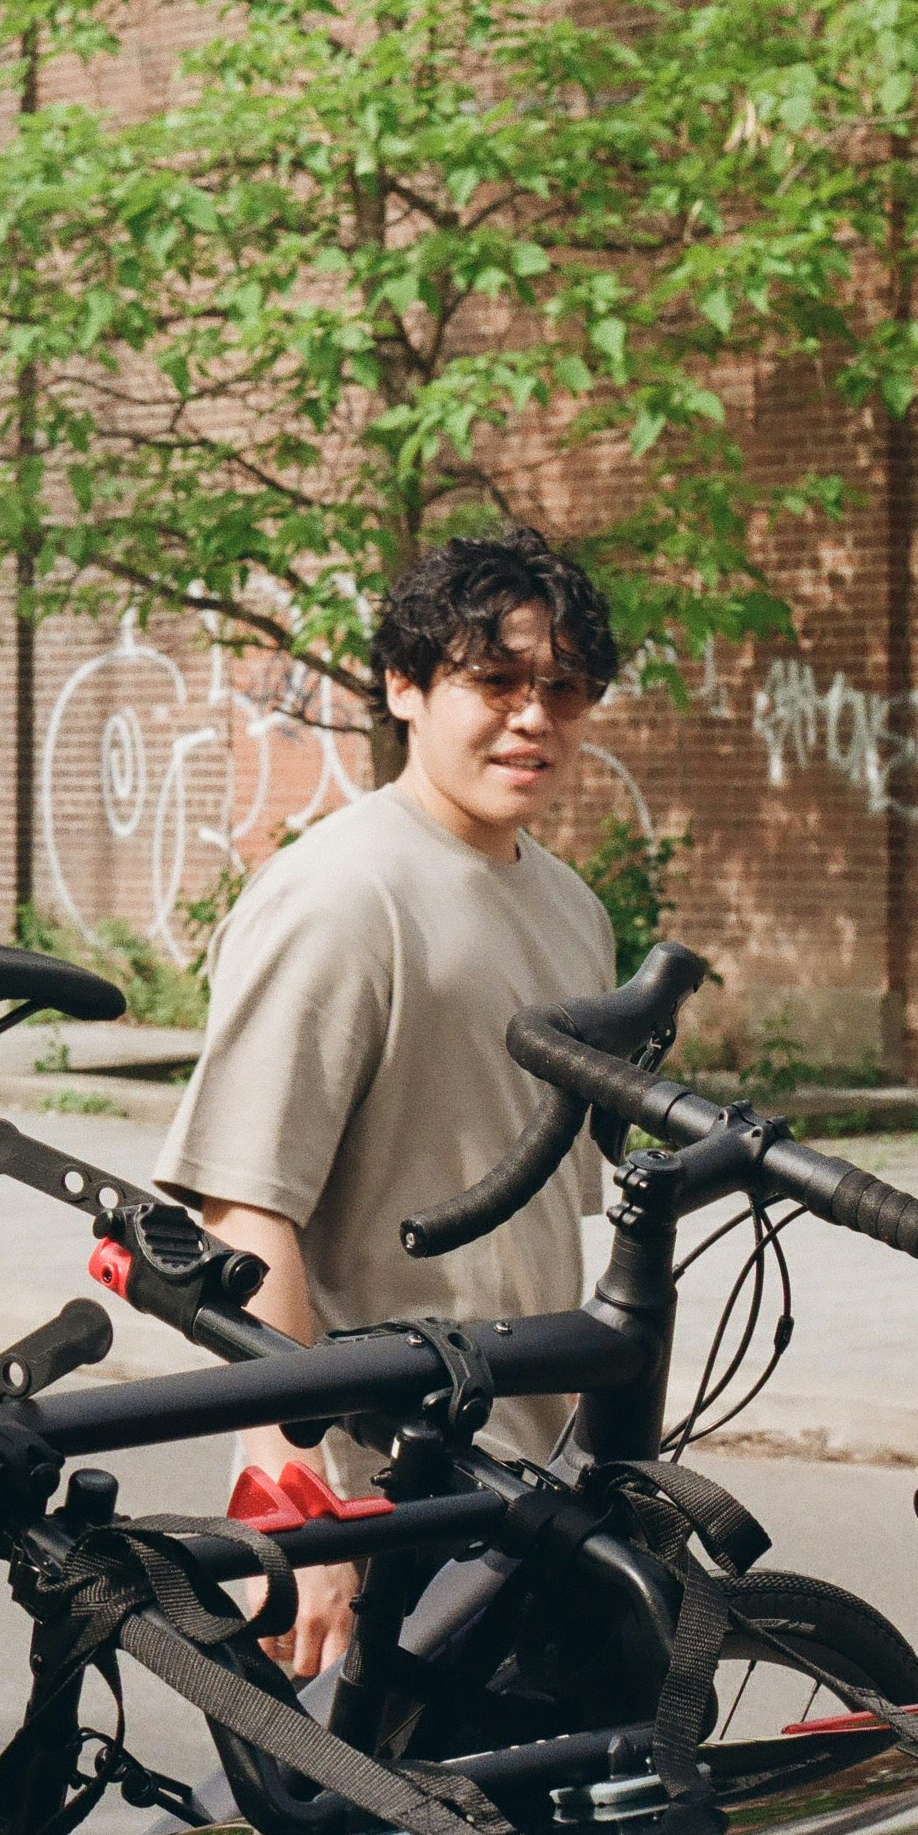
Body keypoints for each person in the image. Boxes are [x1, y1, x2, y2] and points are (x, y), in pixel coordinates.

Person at [152, 525, 620, 1679]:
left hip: (534, 1475)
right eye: (496, 680)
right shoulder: (341, 893)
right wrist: (292, 1482)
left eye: (563, 688)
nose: (533, 716)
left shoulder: (573, 908)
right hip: (380, 1486)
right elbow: (245, 1207)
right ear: (405, 686)